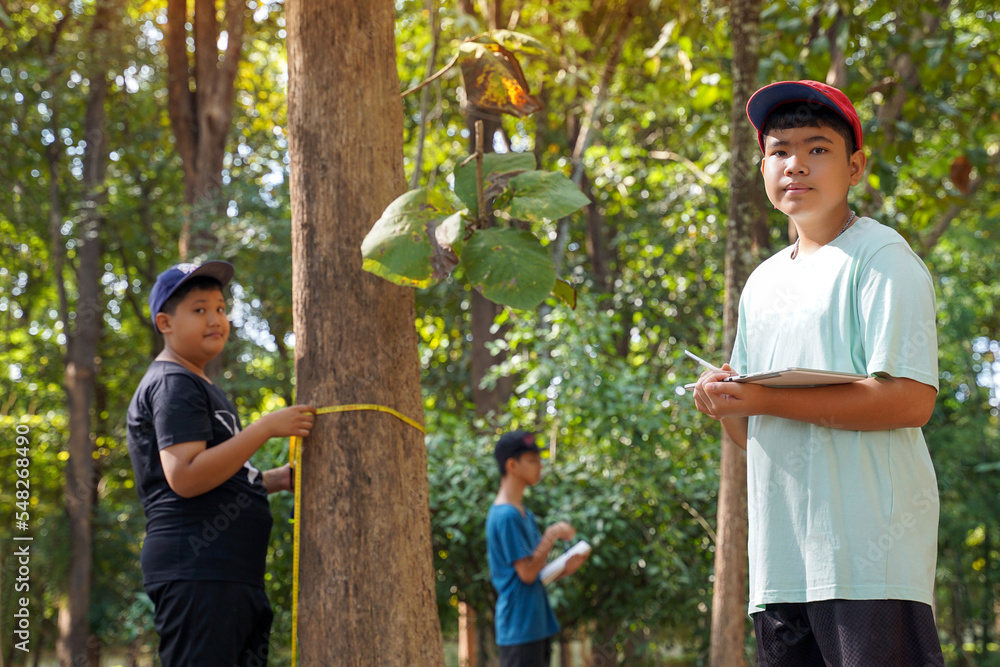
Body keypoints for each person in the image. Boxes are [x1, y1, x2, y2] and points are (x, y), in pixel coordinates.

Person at [693, 80, 944, 666]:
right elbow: (751, 433)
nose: (796, 165)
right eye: (779, 151)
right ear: (762, 167)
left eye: (818, 149)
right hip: (782, 570)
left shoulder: (882, 258)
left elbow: (909, 400)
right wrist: (726, 402)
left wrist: (760, 397)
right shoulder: (762, 283)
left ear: (855, 167)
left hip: (867, 565)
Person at [126, 260, 315, 667]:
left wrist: (274, 480)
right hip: (198, 571)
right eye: (199, 309)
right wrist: (265, 428)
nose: (215, 319)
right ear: (165, 323)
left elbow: (217, 476)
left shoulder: (199, 384)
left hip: (227, 576)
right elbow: (186, 477)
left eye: (220, 308)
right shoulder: (172, 384)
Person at [486, 431, 588, 667]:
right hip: (518, 627)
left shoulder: (523, 513)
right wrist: (551, 535)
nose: (540, 466)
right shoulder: (506, 516)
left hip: (535, 624)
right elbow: (527, 573)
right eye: (532, 460)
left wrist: (564, 568)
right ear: (512, 465)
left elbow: (534, 576)